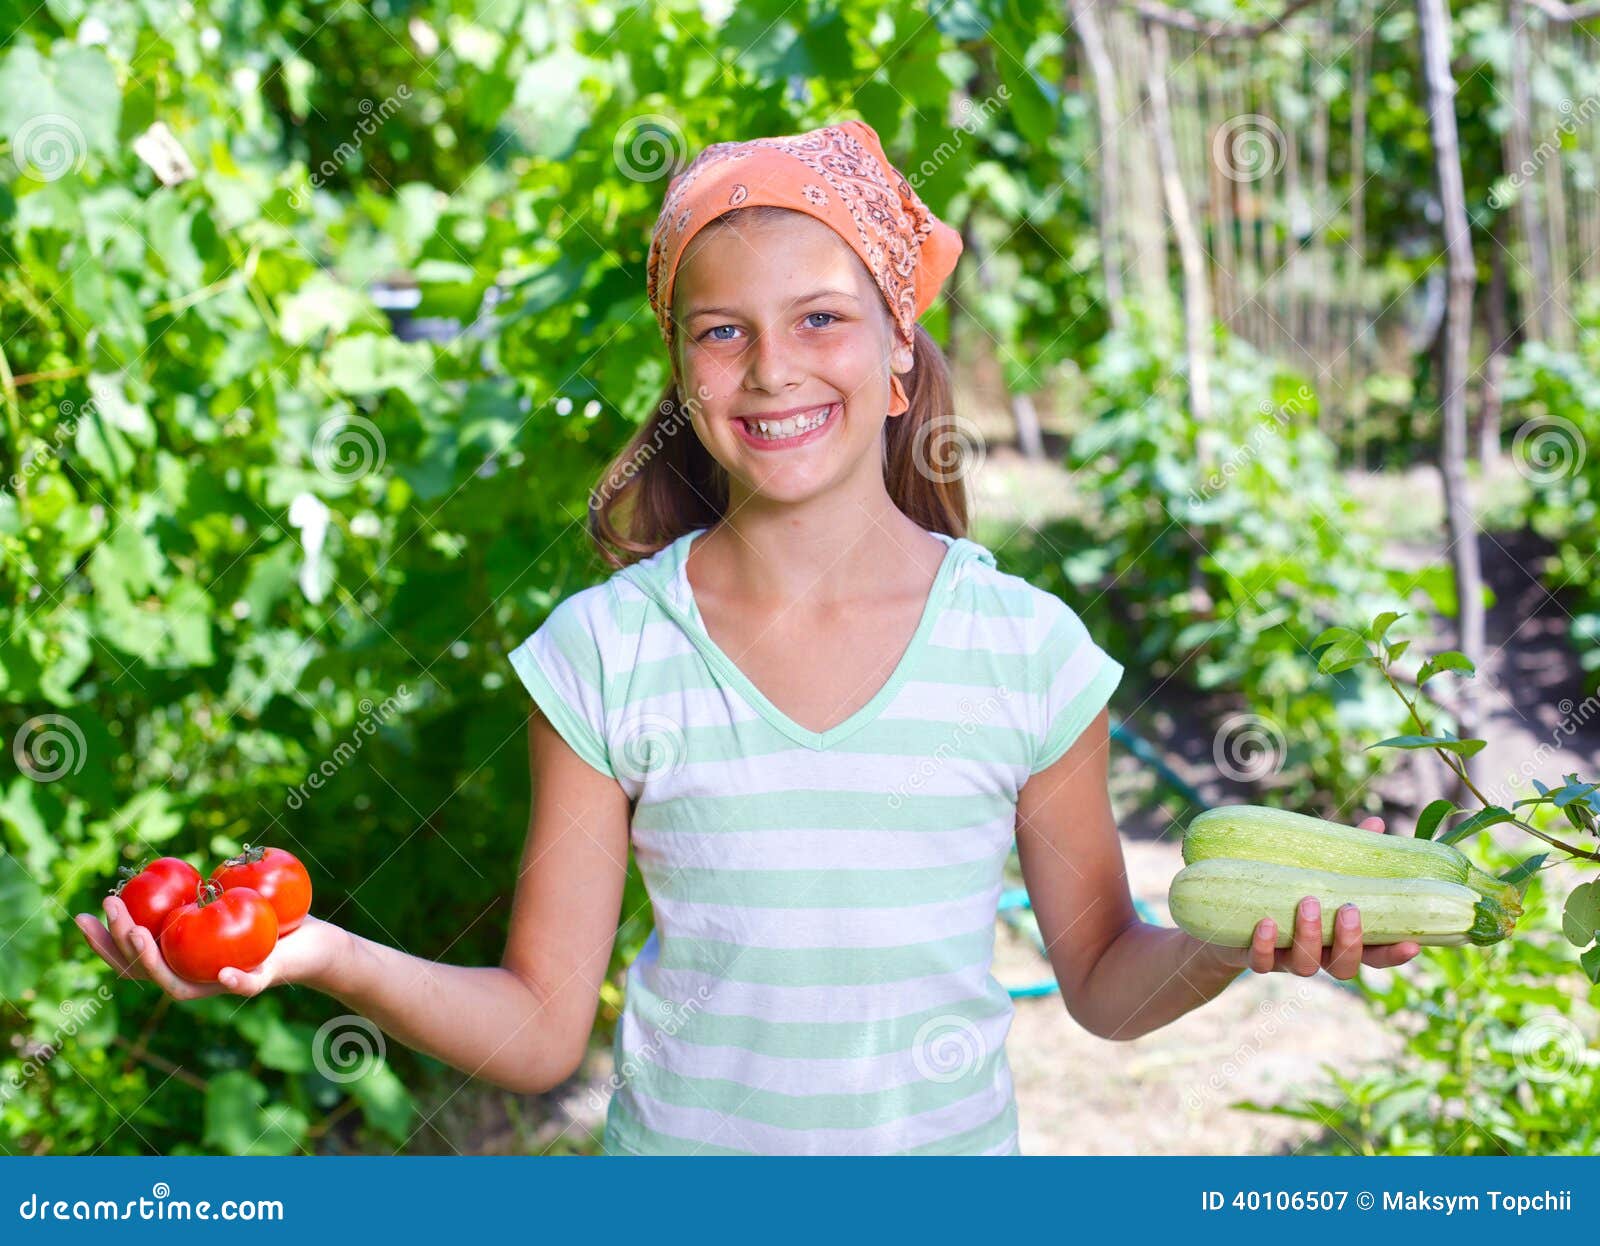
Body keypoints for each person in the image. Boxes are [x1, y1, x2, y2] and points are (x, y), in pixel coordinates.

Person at [76, 119, 1420, 1156]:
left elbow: (1106, 985)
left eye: (822, 319)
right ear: (683, 375)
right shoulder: (606, 653)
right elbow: (546, 1027)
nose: (772, 368)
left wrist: (1237, 937)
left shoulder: (1027, 651)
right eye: (723, 333)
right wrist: (315, 951)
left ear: (901, 359)